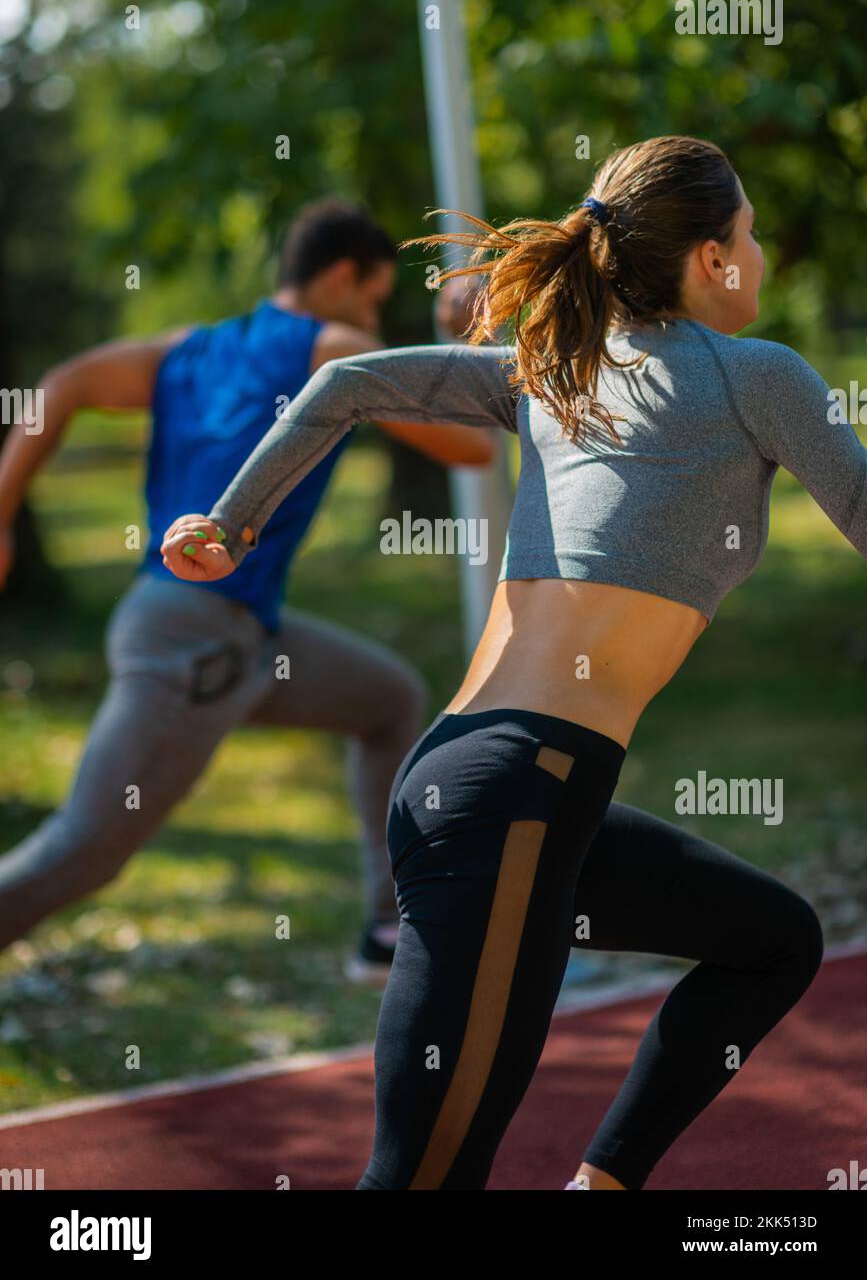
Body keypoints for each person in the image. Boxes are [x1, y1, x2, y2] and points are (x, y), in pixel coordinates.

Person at [160, 136, 867, 1190]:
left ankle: (603, 1181)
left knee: (771, 941)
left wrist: (230, 521)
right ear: (715, 259)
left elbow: (349, 382)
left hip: (493, 791)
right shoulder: (759, 377)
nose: (760, 256)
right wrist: (231, 524)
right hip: (512, 802)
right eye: (752, 235)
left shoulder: (557, 371)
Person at [0, 198, 494, 987]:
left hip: (234, 635)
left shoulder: (186, 351)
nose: (371, 319)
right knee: (84, 850)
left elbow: (55, 388)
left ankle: (384, 932)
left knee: (388, 700)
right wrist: (463, 337)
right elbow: (471, 444)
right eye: (372, 297)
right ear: (341, 278)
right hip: (194, 639)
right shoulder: (334, 348)